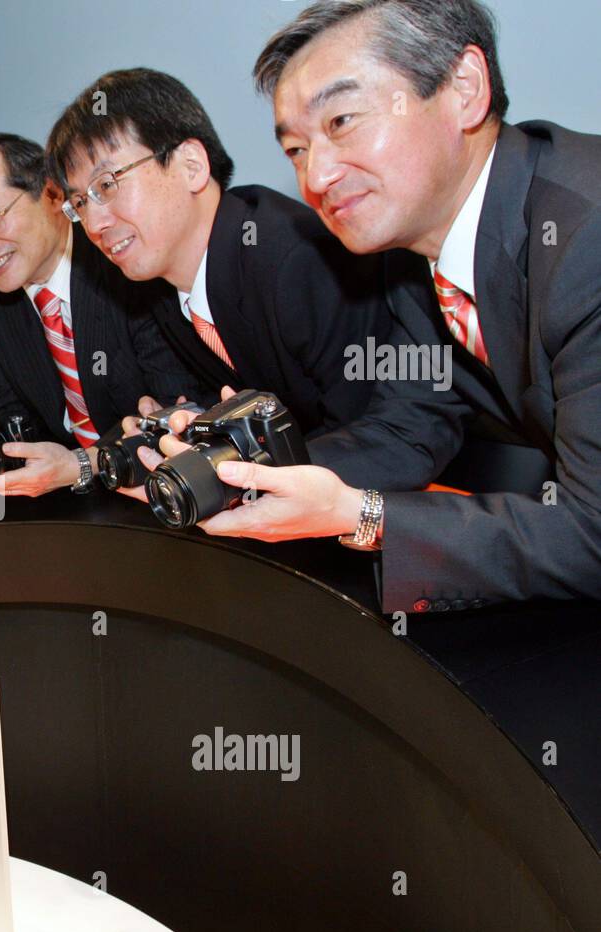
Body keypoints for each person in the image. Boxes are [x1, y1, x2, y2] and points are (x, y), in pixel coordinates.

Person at [139, 0, 601, 613]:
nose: (317, 177)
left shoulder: (583, 238)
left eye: (342, 121)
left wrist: (365, 516)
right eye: (296, 150)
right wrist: (247, 467)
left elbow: (591, 533)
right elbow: (412, 423)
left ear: (464, 88)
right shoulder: (407, 257)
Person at [46, 67, 399, 441]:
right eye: (80, 202)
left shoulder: (295, 260)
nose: (94, 223)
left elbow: (376, 430)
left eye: (107, 184)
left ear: (191, 166)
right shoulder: (159, 288)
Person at [0, 131, 199, 498]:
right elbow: (16, 414)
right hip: (76, 506)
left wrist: (85, 463)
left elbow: (177, 409)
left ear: (52, 195)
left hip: (168, 488)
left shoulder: (121, 257)